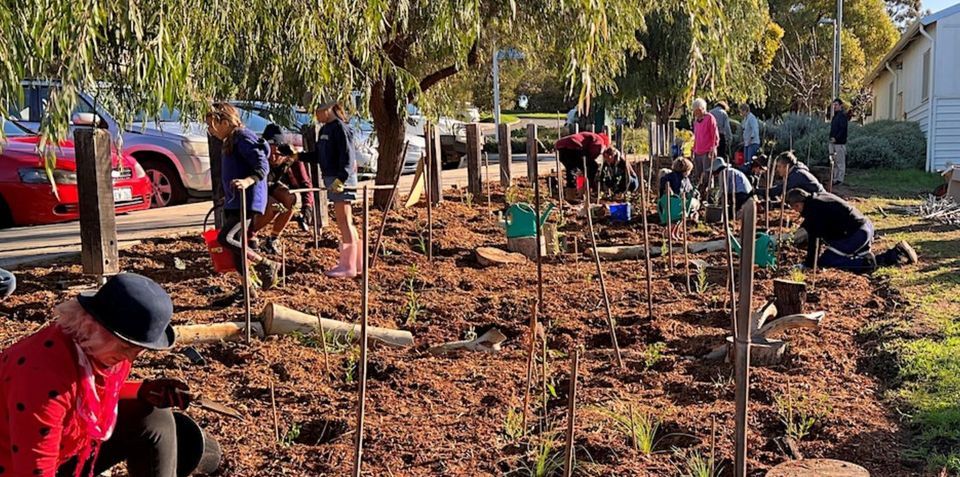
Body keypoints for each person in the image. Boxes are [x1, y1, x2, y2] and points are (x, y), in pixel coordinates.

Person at [0, 273, 220, 477]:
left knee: (153, 417)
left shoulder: (93, 349)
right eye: (125, 347)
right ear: (93, 326)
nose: (129, 359)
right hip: (16, 465)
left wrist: (142, 391)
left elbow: (87, 394)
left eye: (138, 350)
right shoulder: (41, 379)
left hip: (64, 451)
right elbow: (34, 469)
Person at [205, 103, 280, 300]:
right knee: (236, 245)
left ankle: (265, 263)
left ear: (224, 122)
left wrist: (248, 181)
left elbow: (261, 164)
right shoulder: (230, 141)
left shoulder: (243, 137)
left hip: (247, 200)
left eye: (212, 125)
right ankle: (248, 290)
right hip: (234, 200)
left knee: (226, 238)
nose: (210, 131)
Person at [293, 100, 361, 278]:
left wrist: (342, 178)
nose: (315, 115)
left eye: (316, 111)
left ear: (328, 109)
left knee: (344, 220)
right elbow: (319, 155)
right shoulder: (324, 129)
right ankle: (358, 262)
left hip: (340, 178)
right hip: (331, 177)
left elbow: (348, 155)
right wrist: (297, 156)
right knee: (346, 220)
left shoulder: (340, 128)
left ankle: (348, 266)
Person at [786, 189, 917, 273]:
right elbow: (809, 226)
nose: (796, 212)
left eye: (795, 209)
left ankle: (869, 264)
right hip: (865, 227)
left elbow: (815, 240)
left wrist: (809, 265)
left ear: (798, 204)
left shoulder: (814, 211)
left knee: (826, 261)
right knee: (851, 256)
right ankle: (896, 254)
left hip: (856, 234)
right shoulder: (817, 198)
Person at [251, 124, 314, 254]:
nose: (274, 157)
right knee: (272, 207)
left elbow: (305, 182)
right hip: (255, 187)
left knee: (290, 198)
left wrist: (307, 206)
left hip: (272, 186)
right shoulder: (257, 154)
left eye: (278, 152)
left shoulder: (291, 157)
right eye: (270, 152)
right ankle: (248, 235)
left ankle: (273, 238)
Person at [659, 158, 700, 240]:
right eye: (689, 171)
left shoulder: (673, 177)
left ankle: (674, 233)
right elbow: (685, 191)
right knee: (676, 219)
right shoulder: (680, 178)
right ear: (685, 170)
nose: (689, 173)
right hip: (675, 202)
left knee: (679, 220)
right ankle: (669, 233)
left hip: (671, 201)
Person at [691, 98, 719, 194]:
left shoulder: (710, 118)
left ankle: (709, 194)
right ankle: (700, 193)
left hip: (707, 151)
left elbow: (715, 135)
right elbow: (696, 136)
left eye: (698, 110)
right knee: (699, 175)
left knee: (707, 174)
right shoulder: (696, 121)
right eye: (695, 111)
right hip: (698, 151)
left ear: (703, 109)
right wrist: (693, 149)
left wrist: (713, 148)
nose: (696, 113)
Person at [829, 98, 848, 185]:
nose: (835, 107)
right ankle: (835, 178)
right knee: (834, 162)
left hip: (839, 143)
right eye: (834, 105)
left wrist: (836, 138)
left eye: (836, 105)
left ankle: (840, 179)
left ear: (840, 106)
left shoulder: (843, 116)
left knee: (840, 162)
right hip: (832, 143)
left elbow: (843, 129)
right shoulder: (834, 117)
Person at [740, 104, 761, 169]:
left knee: (750, 161)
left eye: (742, 112)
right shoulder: (745, 119)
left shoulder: (752, 118)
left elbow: (754, 130)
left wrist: (750, 139)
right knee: (745, 161)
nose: (741, 114)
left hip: (752, 143)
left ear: (746, 111)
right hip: (747, 143)